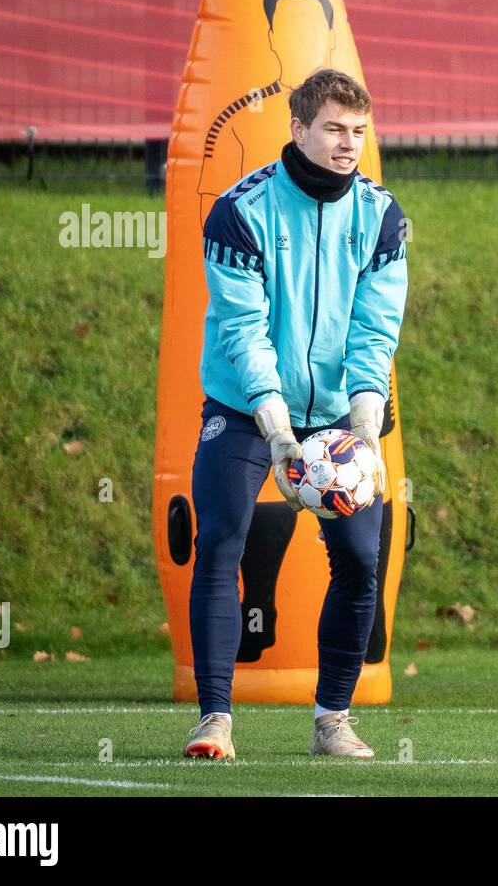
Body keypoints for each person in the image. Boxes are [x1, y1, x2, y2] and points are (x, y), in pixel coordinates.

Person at [183, 68, 408, 760]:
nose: (349, 144)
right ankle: (214, 719)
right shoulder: (239, 211)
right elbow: (242, 332)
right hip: (247, 405)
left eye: (359, 132)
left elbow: (376, 330)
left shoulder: (382, 215)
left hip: (342, 414)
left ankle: (331, 721)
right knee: (221, 537)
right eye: (335, 129)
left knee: (361, 557)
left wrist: (365, 428)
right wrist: (279, 432)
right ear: (298, 128)